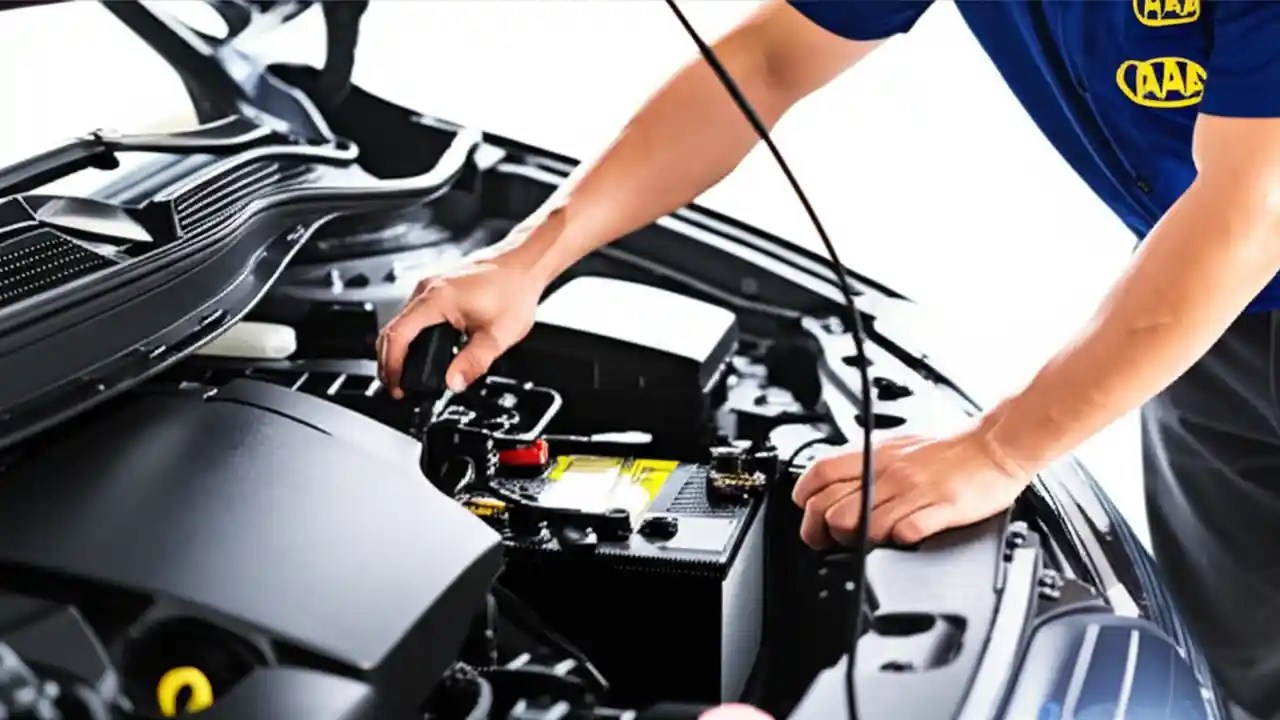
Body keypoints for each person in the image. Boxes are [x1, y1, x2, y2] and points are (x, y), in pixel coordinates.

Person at [376, 2, 1280, 716]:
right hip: (1213, 323)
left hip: (1230, 260)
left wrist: (999, 449)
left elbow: (1253, 208)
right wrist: (528, 258)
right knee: (1246, 658)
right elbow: (768, 58)